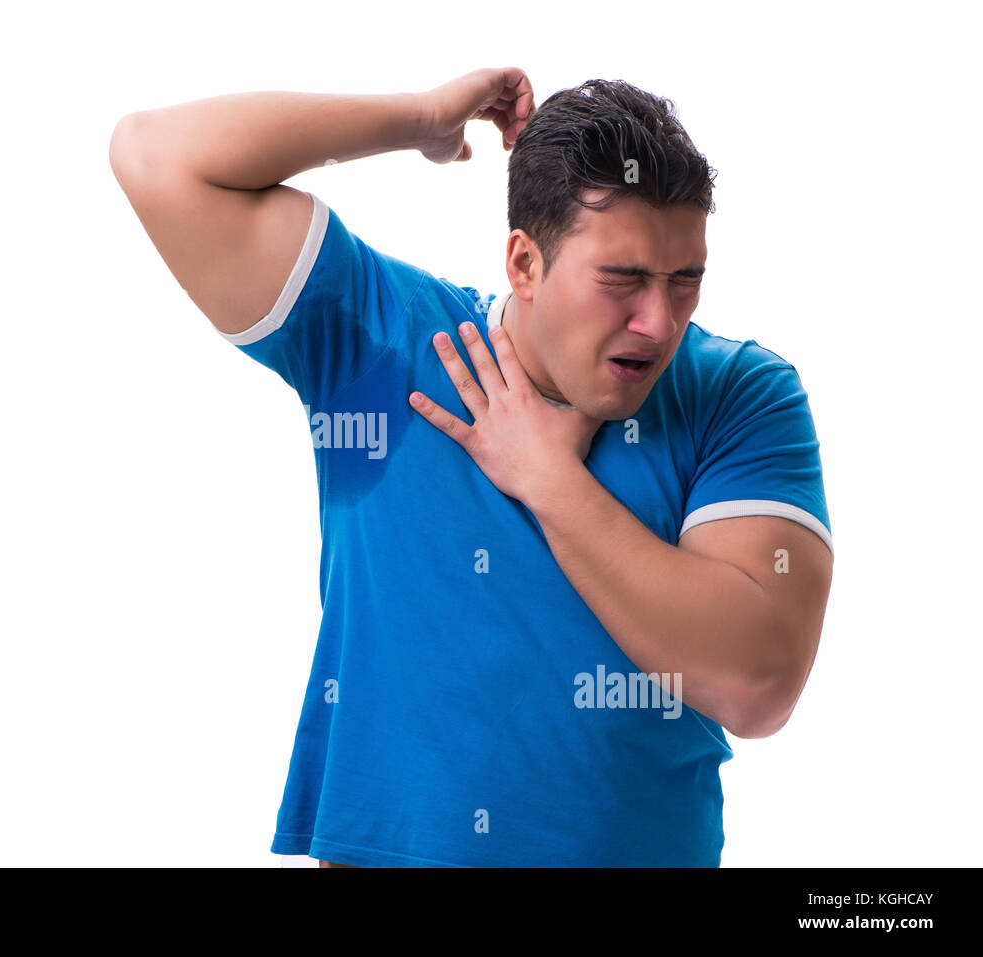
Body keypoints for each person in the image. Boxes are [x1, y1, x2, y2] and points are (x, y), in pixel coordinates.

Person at [109, 69, 834, 868]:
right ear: (524, 263)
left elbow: (755, 683)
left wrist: (548, 478)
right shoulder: (384, 337)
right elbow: (155, 156)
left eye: (684, 278)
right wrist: (418, 118)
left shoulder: (739, 393)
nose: (658, 320)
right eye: (622, 280)